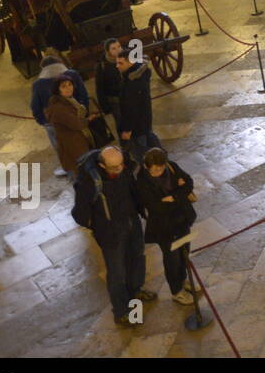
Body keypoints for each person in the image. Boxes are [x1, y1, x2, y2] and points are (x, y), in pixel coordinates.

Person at [72, 145, 155, 326]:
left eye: (121, 165)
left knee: (137, 257)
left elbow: (134, 189)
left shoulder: (124, 166)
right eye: (114, 167)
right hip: (111, 233)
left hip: (132, 222)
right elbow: (79, 215)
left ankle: (135, 290)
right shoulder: (89, 182)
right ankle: (121, 311)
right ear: (102, 166)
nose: (120, 169)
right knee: (117, 272)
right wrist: (101, 226)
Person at [135, 148, 197, 306]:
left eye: (160, 168)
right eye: (153, 169)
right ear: (146, 166)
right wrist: (180, 194)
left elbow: (189, 182)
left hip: (182, 220)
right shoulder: (142, 181)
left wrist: (173, 197)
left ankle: (183, 281)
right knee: (172, 259)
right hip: (164, 228)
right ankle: (176, 291)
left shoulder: (172, 167)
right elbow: (156, 207)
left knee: (184, 253)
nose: (157, 172)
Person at [32, 55, 89, 178]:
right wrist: (85, 114)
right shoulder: (72, 74)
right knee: (81, 143)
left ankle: (71, 170)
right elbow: (84, 95)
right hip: (76, 117)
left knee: (62, 148)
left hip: (53, 122)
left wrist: (44, 122)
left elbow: (35, 106)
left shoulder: (38, 84)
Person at [46, 78, 93, 181]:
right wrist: (88, 120)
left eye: (69, 84)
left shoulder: (68, 100)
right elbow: (77, 124)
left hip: (76, 140)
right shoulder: (59, 108)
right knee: (81, 174)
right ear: (58, 90)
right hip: (72, 144)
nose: (68, 88)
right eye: (63, 86)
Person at [116, 52, 159, 161]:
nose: (117, 66)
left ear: (130, 62)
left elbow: (131, 109)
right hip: (145, 121)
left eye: (120, 63)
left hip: (137, 128)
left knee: (142, 157)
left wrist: (127, 130)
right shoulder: (141, 73)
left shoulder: (132, 81)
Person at [95, 38, 124, 141]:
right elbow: (99, 88)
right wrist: (104, 107)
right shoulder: (102, 66)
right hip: (115, 100)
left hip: (129, 96)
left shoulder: (126, 59)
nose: (118, 50)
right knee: (121, 124)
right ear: (108, 51)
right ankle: (125, 146)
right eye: (114, 48)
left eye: (119, 46)